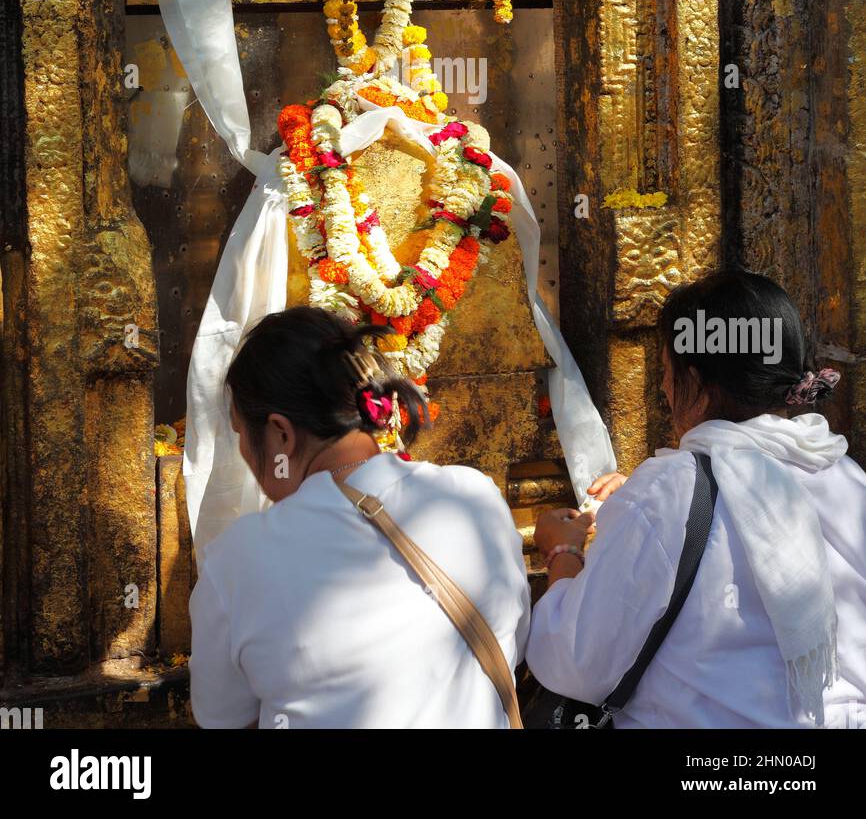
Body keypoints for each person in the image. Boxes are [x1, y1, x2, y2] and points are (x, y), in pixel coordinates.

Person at [527, 270, 866, 729]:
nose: (664, 391)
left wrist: (562, 552)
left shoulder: (669, 489)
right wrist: (644, 504)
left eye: (666, 373)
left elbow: (574, 661)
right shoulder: (842, 473)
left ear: (695, 381)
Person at [189, 305, 530, 728]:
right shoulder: (474, 497)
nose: (246, 455)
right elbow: (511, 637)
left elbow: (223, 718)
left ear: (280, 434)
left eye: (242, 435)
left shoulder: (237, 560)